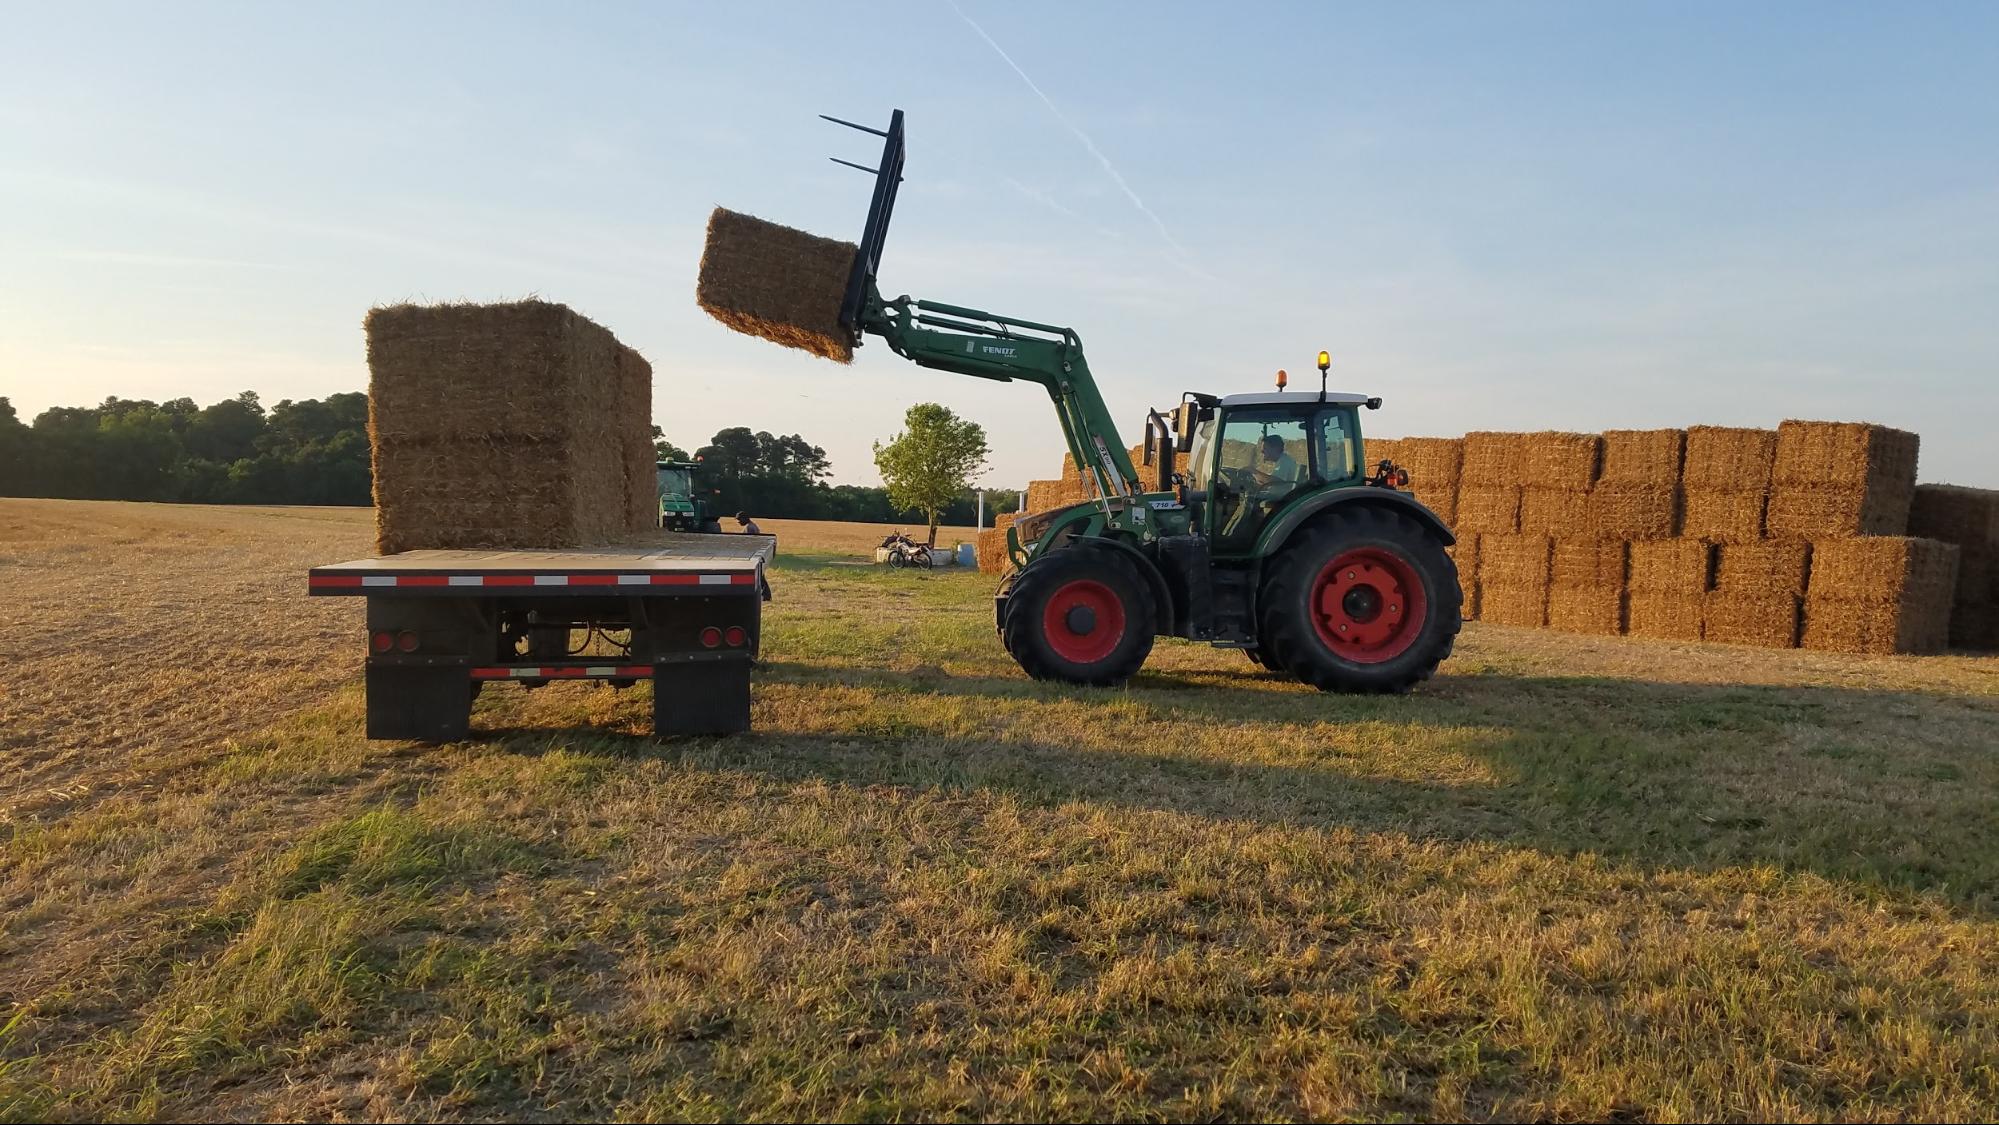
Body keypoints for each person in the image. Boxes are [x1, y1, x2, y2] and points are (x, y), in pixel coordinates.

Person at [1253, 434, 1301, 500]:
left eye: (1265, 448)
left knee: (1251, 499)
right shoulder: (1282, 460)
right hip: (1278, 497)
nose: (1262, 451)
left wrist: (1254, 471)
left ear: (1276, 448)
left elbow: (1276, 481)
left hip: (1280, 500)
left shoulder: (1284, 461)